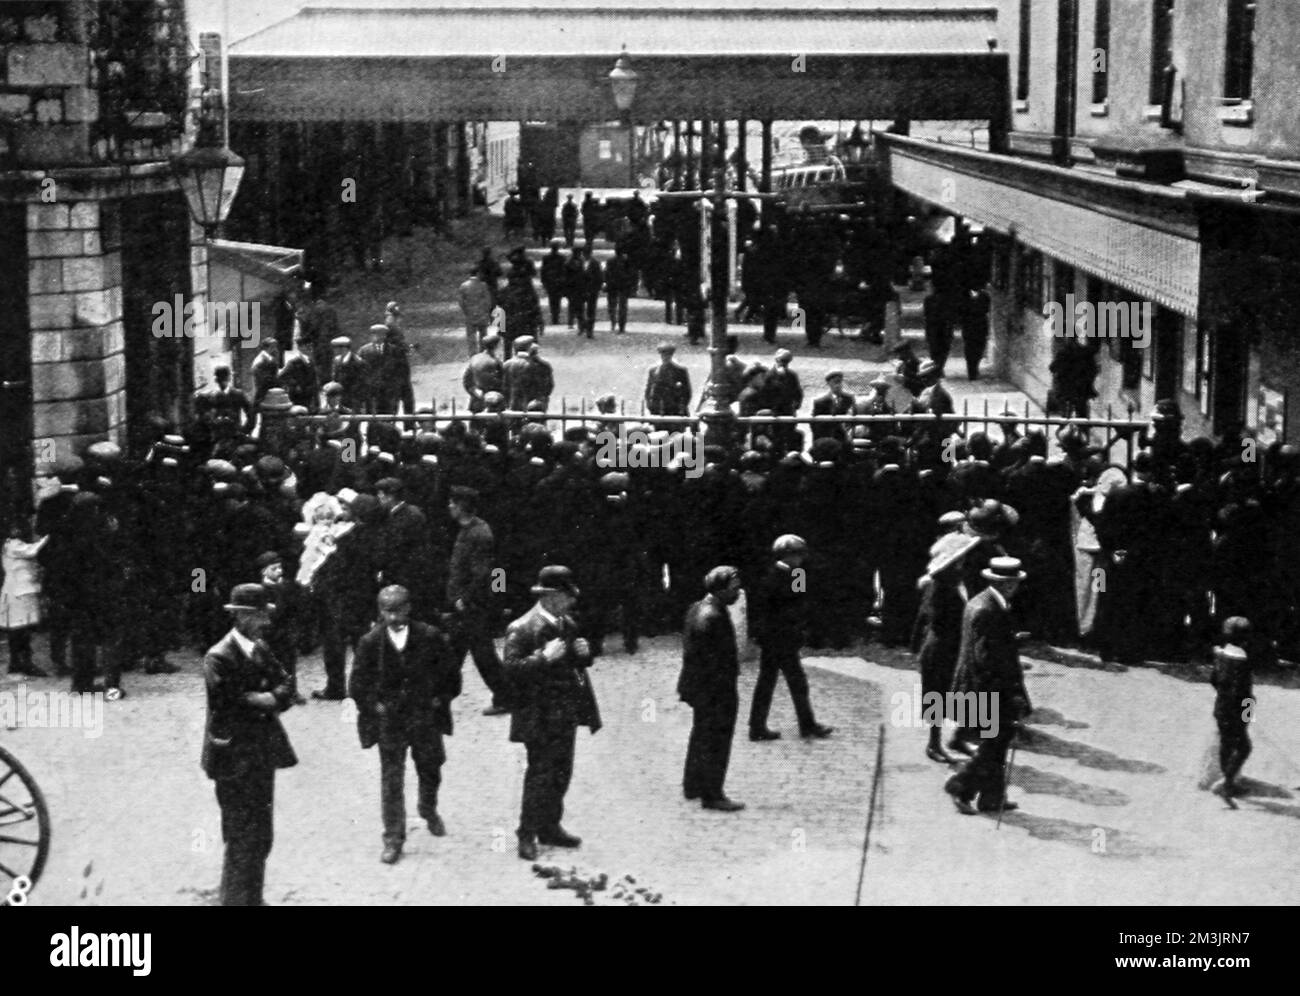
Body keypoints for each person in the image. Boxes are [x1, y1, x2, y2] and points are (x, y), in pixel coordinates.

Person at [200, 583, 298, 906]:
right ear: (240, 616)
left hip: (261, 753)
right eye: (258, 616)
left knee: (262, 835)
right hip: (232, 757)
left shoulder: (260, 648)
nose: (265, 622)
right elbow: (227, 703)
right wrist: (265, 700)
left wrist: (270, 697)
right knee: (241, 834)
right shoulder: (218, 657)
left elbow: (287, 682)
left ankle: (250, 899)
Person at [349, 585, 461, 863]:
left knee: (431, 766)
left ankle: (427, 806)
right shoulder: (369, 643)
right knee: (391, 780)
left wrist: (439, 699)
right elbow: (357, 684)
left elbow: (451, 676)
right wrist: (373, 706)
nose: (394, 617)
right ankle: (393, 837)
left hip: (425, 717)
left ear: (409, 608)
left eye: (399, 610)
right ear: (380, 612)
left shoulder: (431, 636)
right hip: (391, 721)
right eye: (388, 611)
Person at [503, 565, 601, 861]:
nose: (571, 602)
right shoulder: (521, 629)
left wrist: (585, 655)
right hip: (539, 716)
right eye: (566, 596)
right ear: (550, 596)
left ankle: (550, 825)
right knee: (539, 775)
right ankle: (527, 833)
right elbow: (509, 673)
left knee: (562, 772)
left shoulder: (567, 623)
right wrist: (541, 659)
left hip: (565, 713)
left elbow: (575, 665)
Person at [944, 557, 1032, 815]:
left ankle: (992, 797)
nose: (1017, 586)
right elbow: (986, 659)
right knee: (994, 744)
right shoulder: (988, 610)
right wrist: (1010, 694)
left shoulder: (982, 602)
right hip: (988, 689)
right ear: (1007, 584)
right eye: (1015, 582)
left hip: (983, 686)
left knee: (998, 743)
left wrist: (1010, 642)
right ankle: (960, 786)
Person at [748, 535, 833, 741]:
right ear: (787, 556)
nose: (801, 559)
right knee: (788, 682)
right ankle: (805, 725)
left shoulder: (796, 574)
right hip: (777, 639)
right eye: (798, 555)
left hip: (786, 638)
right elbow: (769, 611)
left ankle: (760, 726)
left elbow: (800, 602)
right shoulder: (771, 577)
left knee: (779, 682)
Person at [678, 566, 746, 811]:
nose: (738, 593)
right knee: (717, 740)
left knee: (700, 735)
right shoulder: (713, 616)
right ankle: (712, 793)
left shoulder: (698, 607)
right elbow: (713, 659)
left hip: (699, 687)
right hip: (716, 689)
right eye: (734, 589)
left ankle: (693, 784)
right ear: (721, 588)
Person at [912, 531, 979, 763]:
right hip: (941, 648)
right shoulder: (940, 589)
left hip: (954, 646)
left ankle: (959, 736)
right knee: (936, 695)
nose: (964, 563)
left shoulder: (958, 583)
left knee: (963, 692)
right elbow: (934, 621)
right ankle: (933, 743)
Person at [446, 486, 510, 716]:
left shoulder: (478, 534)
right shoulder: (470, 530)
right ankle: (439, 696)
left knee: (481, 655)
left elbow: (483, 573)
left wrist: (465, 598)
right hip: (469, 604)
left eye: (453, 503)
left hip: (473, 605)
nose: (449, 506)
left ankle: (506, 695)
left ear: (462, 506)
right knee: (457, 653)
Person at [1211, 616, 1254, 798]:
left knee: (1225, 743)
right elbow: (1244, 692)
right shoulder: (1243, 660)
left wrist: (1223, 693)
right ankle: (1228, 782)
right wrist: (1248, 715)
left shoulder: (1220, 654)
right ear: (1244, 638)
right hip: (1237, 710)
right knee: (1244, 747)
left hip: (1220, 707)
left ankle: (1226, 780)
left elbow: (1213, 679)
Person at [1, 519, 49, 676]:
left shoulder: (14, 544)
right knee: (19, 630)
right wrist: (48, 538)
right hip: (18, 592)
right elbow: (32, 551)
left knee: (22, 630)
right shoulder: (13, 544)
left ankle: (21, 662)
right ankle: (20, 663)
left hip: (22, 591)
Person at [644, 343, 692, 416]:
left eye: (668, 355)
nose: (665, 357)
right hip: (658, 408)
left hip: (675, 408)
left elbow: (686, 391)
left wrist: (682, 406)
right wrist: (650, 405)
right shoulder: (653, 370)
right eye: (663, 355)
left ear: (671, 355)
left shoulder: (680, 370)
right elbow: (648, 389)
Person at [810, 370, 855, 443]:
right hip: (827, 438)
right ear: (828, 384)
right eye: (835, 382)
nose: (838, 385)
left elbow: (853, 416)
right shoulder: (820, 402)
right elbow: (814, 424)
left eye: (839, 382)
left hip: (844, 438)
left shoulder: (849, 398)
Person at [462, 333, 503, 413]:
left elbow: (466, 380)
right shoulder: (495, 362)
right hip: (491, 402)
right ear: (496, 346)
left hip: (476, 401)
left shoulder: (474, 358)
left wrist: (473, 391)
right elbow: (502, 382)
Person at [458, 267, 493, 359]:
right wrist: (486, 310)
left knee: (471, 335)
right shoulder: (483, 285)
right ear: (477, 273)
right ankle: (483, 351)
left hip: (470, 313)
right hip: (481, 313)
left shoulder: (464, 286)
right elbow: (488, 300)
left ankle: (472, 353)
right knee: (483, 333)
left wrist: (465, 310)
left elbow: (461, 301)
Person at [540, 241, 568, 327]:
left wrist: (544, 281)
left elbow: (543, 271)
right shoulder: (561, 258)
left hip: (552, 282)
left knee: (553, 300)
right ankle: (555, 316)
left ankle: (554, 316)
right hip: (556, 282)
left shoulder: (547, 258)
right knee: (556, 300)